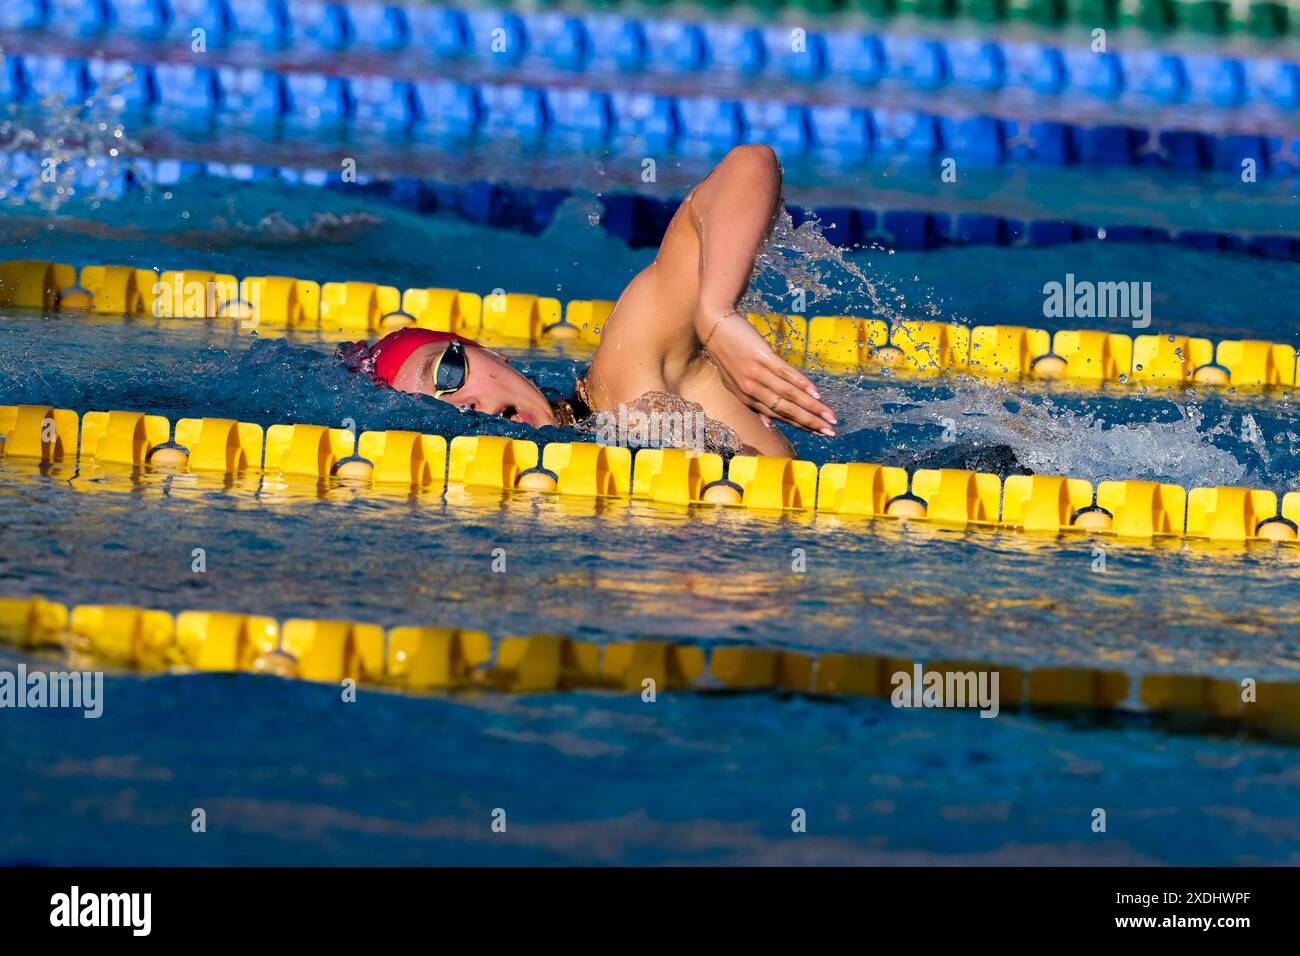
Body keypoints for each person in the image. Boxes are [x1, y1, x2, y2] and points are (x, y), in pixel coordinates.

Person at [340, 145, 838, 458]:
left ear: (493, 353)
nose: (466, 406)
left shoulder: (630, 377)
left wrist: (714, 314)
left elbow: (749, 165)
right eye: (441, 414)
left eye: (447, 374)